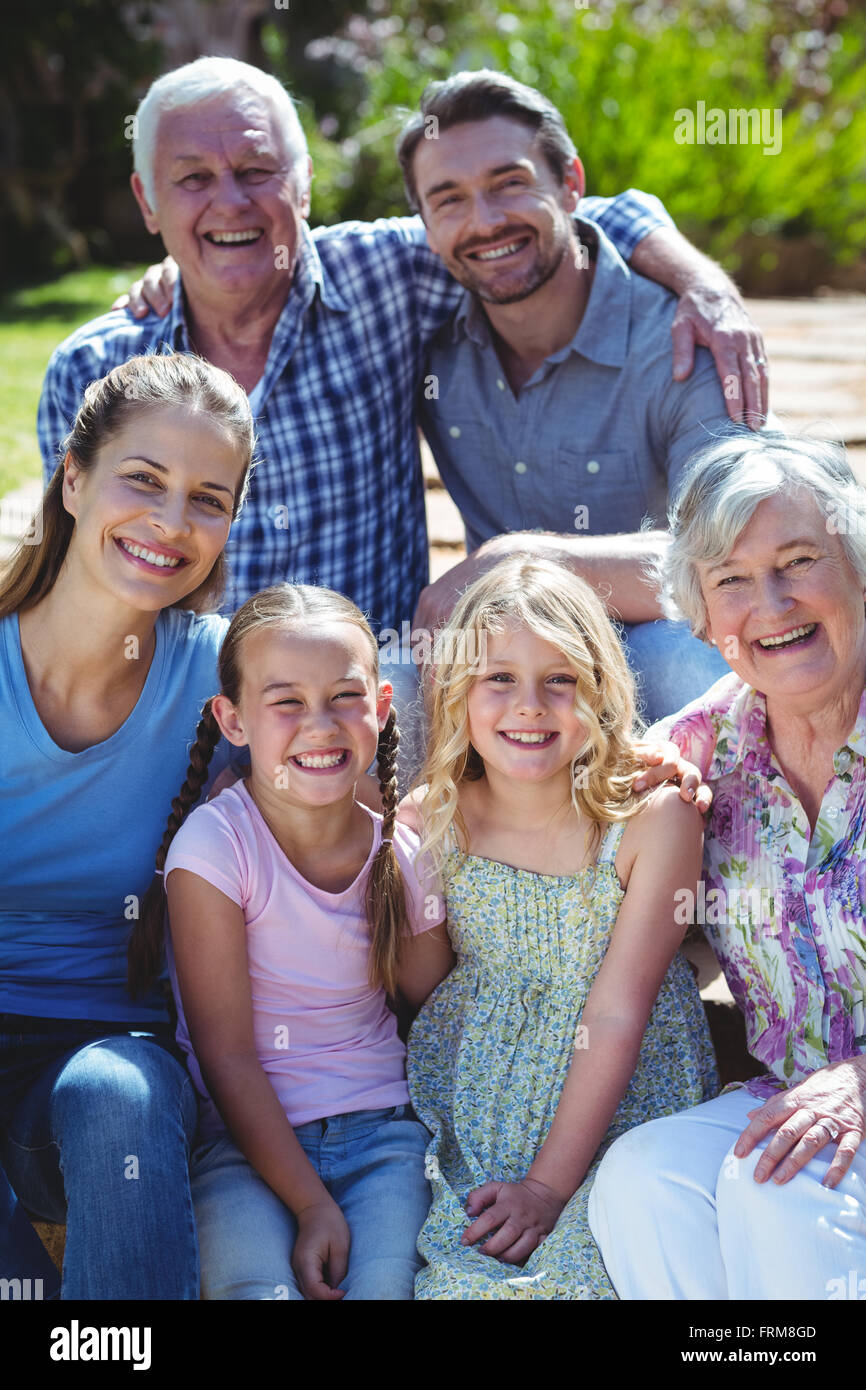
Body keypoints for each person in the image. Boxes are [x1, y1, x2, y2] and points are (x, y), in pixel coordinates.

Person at [55, 55, 767, 651]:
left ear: (304, 185)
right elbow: (70, 584)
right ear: (148, 203)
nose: (231, 202)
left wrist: (705, 283)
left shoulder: (387, 276)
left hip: (377, 700)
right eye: (193, 180)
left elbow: (559, 224)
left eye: (256, 169)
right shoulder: (94, 374)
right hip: (181, 706)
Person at [587, 431, 866, 1300]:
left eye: (799, 560)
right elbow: (543, 809)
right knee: (641, 1178)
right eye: (732, 581)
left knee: (777, 1187)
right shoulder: (704, 750)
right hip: (790, 1099)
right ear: (703, 619)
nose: (772, 603)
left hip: (834, 1113)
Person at [0, 354, 254, 1298]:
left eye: (207, 498)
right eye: (141, 481)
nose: (170, 523)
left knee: (120, 1103)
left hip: (102, 1050)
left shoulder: (223, 675)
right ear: (73, 479)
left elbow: (365, 763)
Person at [397, 555, 719, 1299]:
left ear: (599, 691)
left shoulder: (651, 821)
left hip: (619, 1105)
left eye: (560, 680)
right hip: (477, 1096)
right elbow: (422, 985)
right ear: (458, 696)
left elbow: (615, 1012)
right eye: (499, 679)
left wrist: (546, 1187)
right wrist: (406, 868)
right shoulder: (436, 817)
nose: (529, 706)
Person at [138, 584, 454, 1300]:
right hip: (244, 1144)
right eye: (286, 702)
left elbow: (427, 992)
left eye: (345, 697)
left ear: (379, 708)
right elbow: (225, 1053)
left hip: (384, 1138)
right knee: (255, 1290)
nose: (320, 725)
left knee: (386, 1290)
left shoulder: (396, 849)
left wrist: (419, 858)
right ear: (234, 720)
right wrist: (311, 1203)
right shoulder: (216, 850)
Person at [399, 71, 743, 724]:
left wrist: (519, 559)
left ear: (572, 184)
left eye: (511, 182)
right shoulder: (422, 336)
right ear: (423, 226)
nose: (485, 220)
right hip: (513, 651)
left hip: (660, 633)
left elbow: (736, 553)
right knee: (393, 688)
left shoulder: (683, 336)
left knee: (689, 666)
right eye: (449, 200)